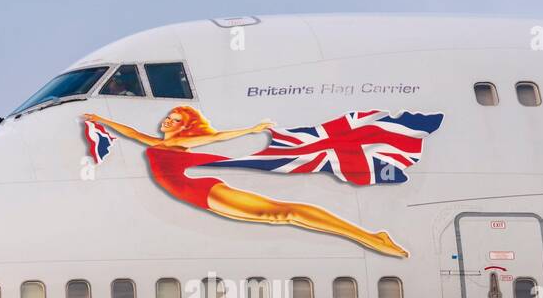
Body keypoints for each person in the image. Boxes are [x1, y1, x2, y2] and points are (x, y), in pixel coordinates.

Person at [80, 106, 408, 257]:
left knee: (283, 213)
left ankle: (371, 237)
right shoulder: (158, 143)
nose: (167, 120)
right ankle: (370, 237)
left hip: (201, 190)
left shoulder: (185, 143)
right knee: (281, 213)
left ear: (185, 128)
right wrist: (101, 119)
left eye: (175, 119)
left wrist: (251, 130)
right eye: (169, 117)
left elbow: (220, 135)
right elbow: (132, 133)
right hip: (195, 196)